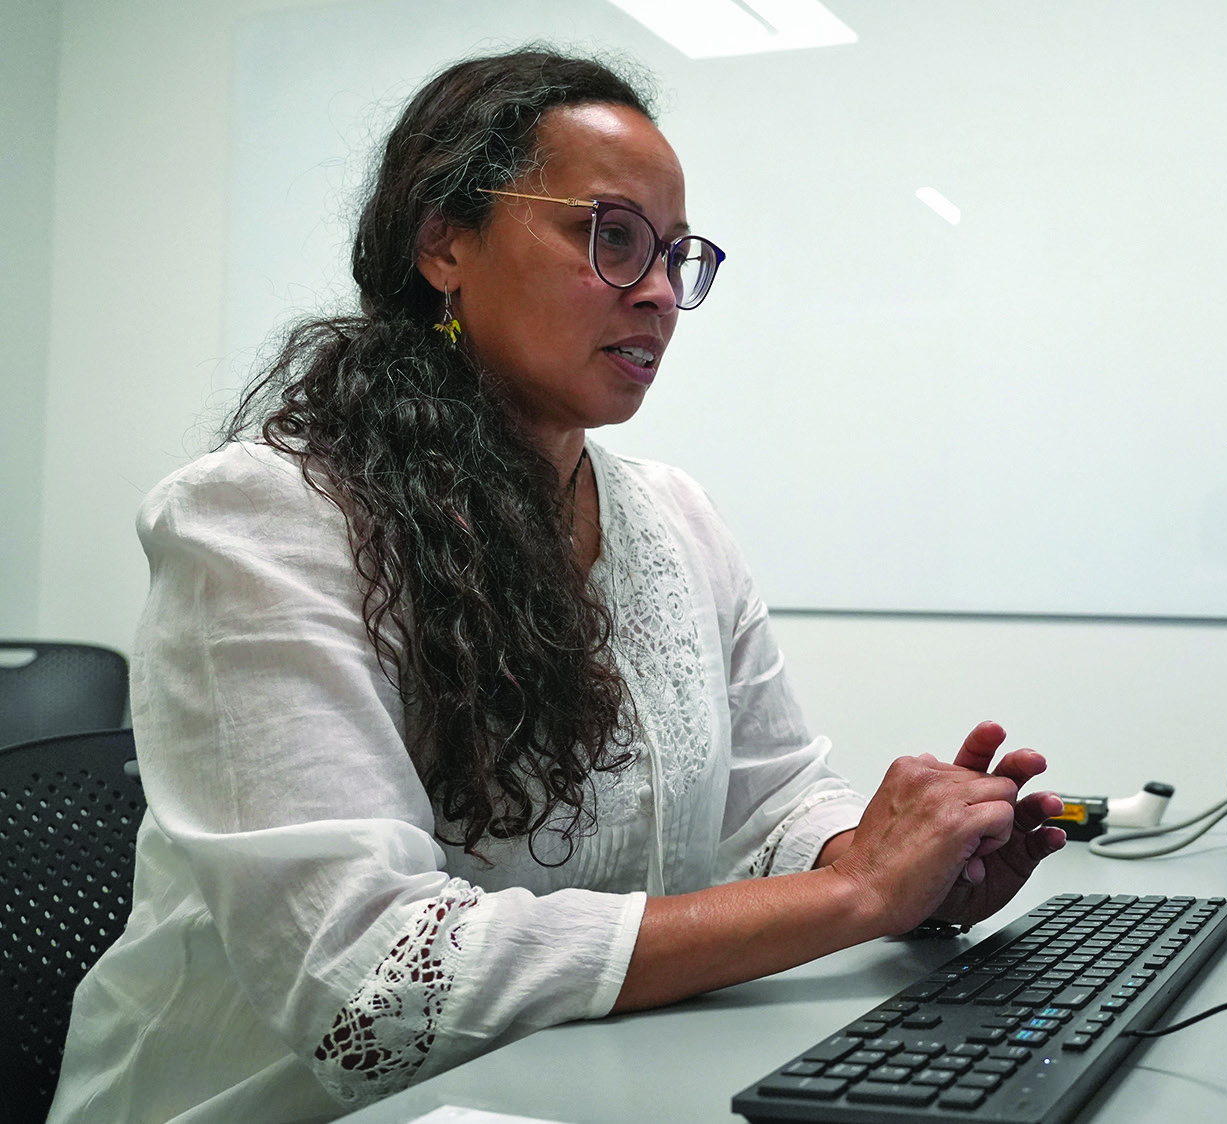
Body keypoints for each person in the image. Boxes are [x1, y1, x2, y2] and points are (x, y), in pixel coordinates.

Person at [48, 48, 1065, 1124]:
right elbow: (370, 979)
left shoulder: (673, 517)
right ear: (445, 239)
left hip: (568, 1084)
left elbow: (765, 800)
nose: (664, 292)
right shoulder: (263, 520)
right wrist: (854, 894)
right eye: (612, 238)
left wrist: (897, 857)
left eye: (676, 255)